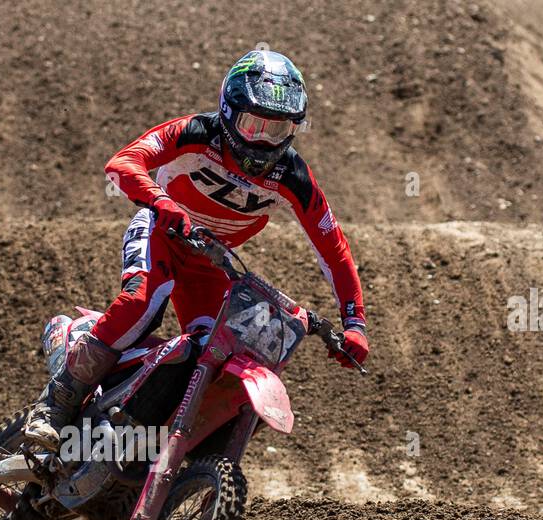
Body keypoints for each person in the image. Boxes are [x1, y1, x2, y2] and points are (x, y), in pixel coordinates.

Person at [24, 49, 370, 450]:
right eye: (253, 125)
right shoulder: (196, 133)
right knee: (140, 305)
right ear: (227, 110)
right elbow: (124, 162)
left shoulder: (293, 178)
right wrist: (161, 202)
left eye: (277, 131)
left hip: (210, 262)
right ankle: (56, 403)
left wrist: (354, 323)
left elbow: (334, 249)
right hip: (161, 234)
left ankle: (146, 438)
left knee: (212, 352)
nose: (262, 141)